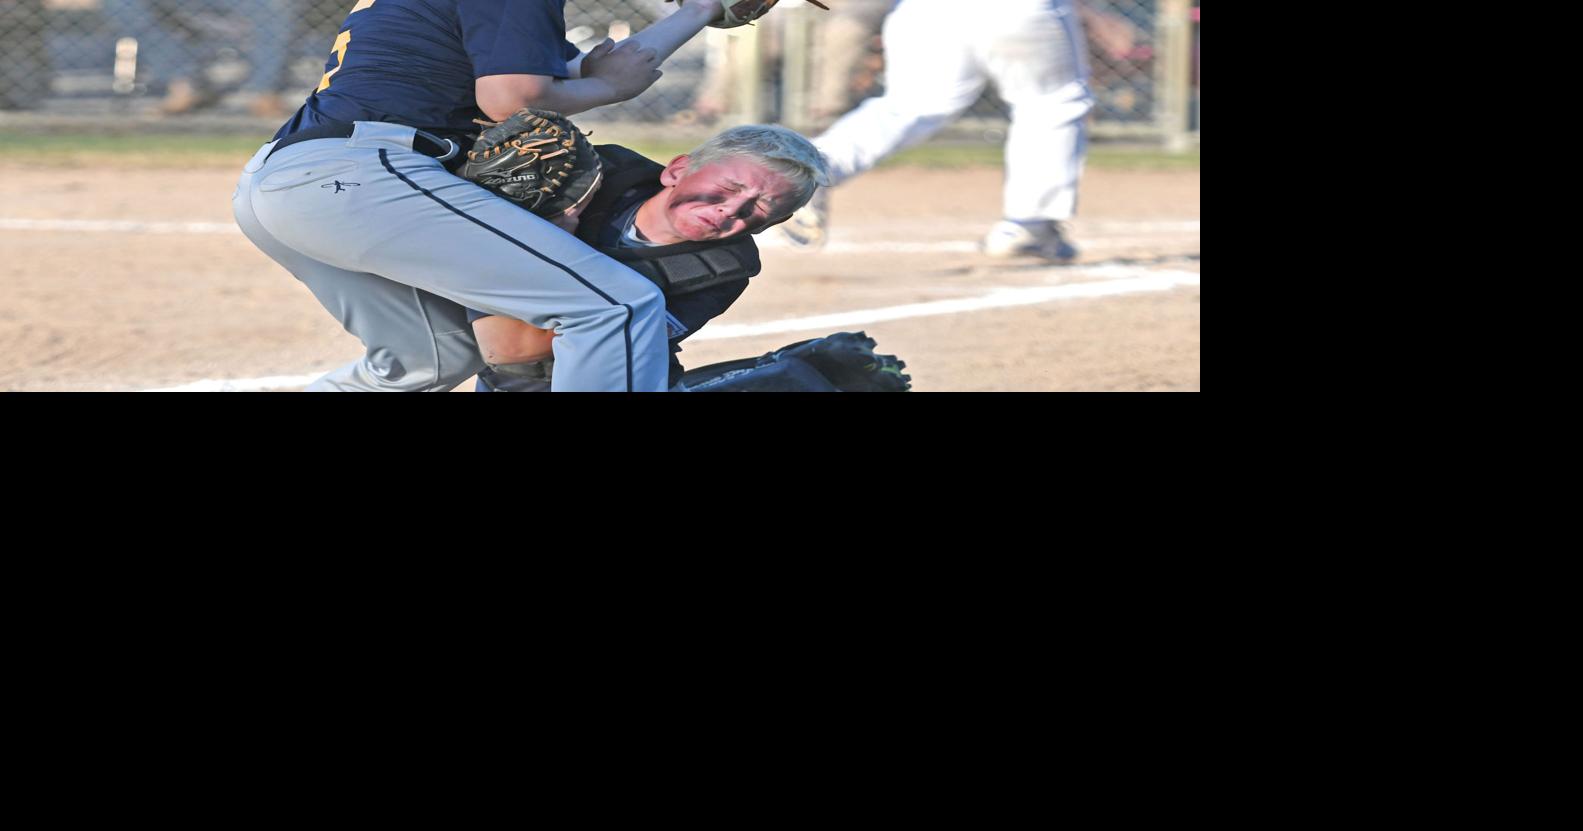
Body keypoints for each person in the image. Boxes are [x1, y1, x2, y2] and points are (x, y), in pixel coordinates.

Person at [233, 0, 736, 392]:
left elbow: (582, 74)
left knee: (431, 356)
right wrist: (609, 92)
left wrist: (699, 11)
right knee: (615, 306)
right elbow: (511, 99)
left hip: (293, 182)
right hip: (362, 175)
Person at [466, 124, 829, 392]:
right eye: (729, 188)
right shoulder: (592, 175)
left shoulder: (721, 272)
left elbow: (520, 347)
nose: (730, 209)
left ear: (772, 224)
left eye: (759, 207)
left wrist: (550, 240)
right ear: (676, 171)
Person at [781, 0, 1096, 262]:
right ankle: (1032, 223)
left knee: (908, 106)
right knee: (1051, 102)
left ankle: (814, 166)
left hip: (926, 10)